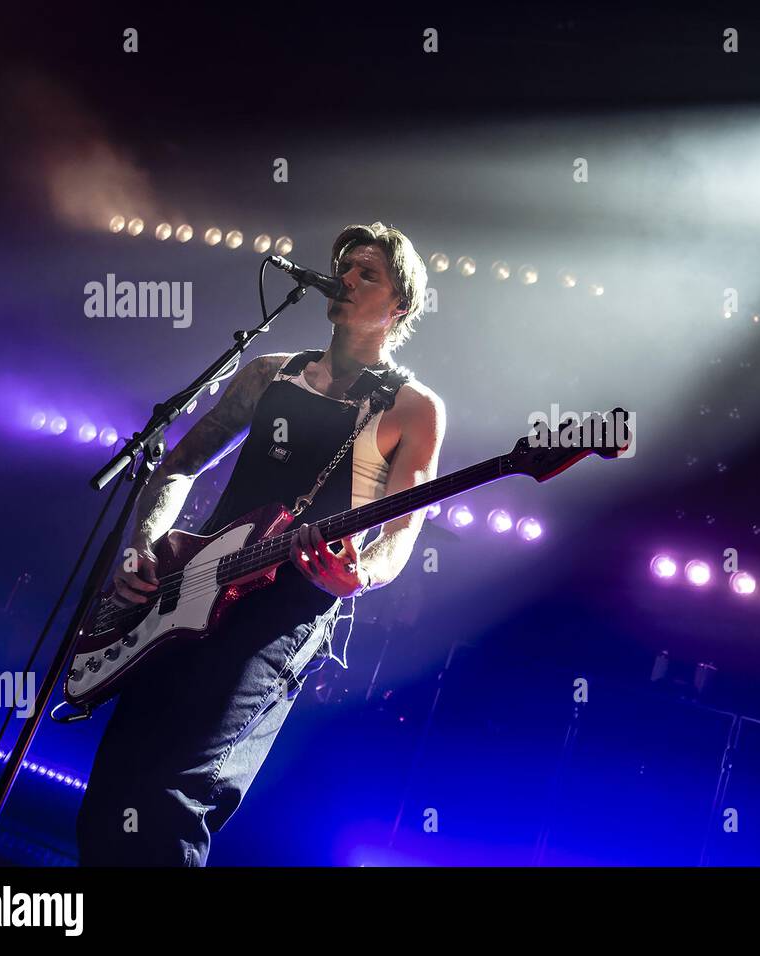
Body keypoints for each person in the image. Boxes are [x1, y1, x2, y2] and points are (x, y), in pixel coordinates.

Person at [75, 222, 446, 865]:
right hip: (188, 590)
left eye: (369, 273)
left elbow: (403, 526)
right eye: (345, 266)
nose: (348, 278)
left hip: (282, 612)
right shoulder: (269, 372)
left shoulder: (413, 408)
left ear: (400, 307)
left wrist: (361, 575)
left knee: (175, 793)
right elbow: (178, 464)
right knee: (113, 785)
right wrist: (143, 546)